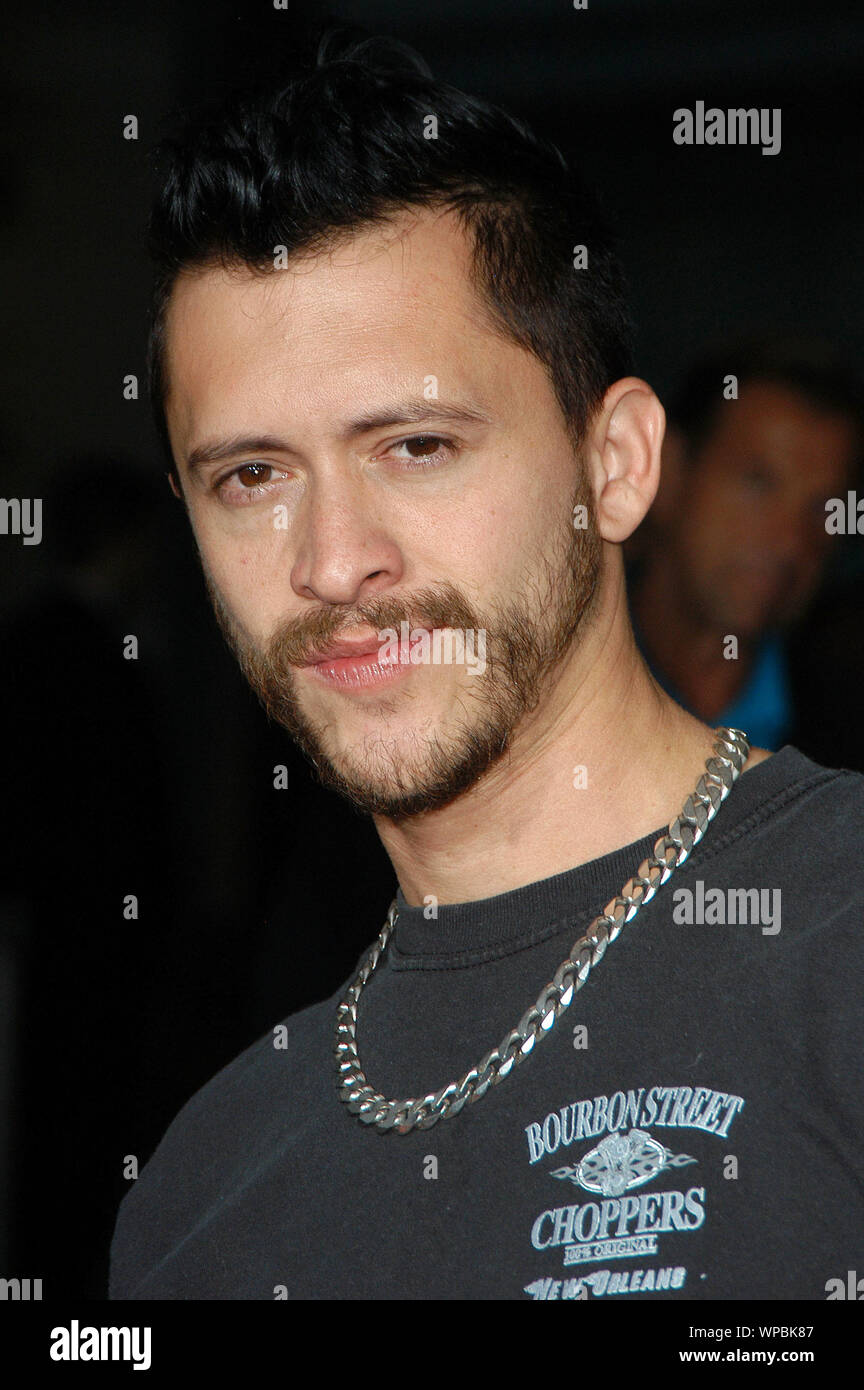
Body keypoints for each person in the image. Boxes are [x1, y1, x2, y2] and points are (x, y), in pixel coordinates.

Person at [109, 32, 864, 1301]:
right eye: (251, 477)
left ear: (616, 465)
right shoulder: (198, 1196)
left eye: (415, 446)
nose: (333, 561)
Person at [629, 339, 863, 751]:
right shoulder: (554, 676)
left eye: (824, 508)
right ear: (668, 470)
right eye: (759, 483)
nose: (792, 540)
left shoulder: (842, 724)